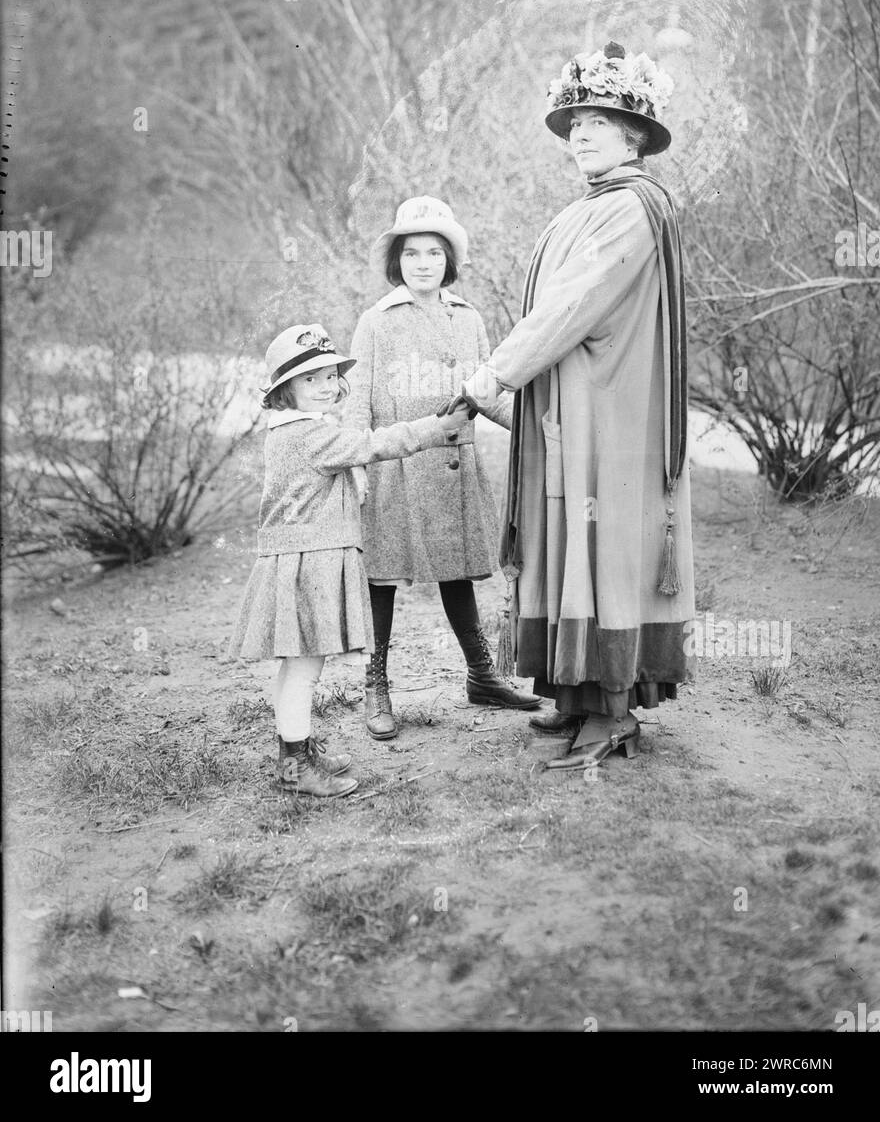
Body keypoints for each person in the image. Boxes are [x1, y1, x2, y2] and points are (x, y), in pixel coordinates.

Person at [448, 42, 695, 770]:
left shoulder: (629, 210)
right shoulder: (583, 210)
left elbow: (571, 307)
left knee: (603, 543)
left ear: (634, 136)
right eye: (574, 121)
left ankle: (612, 711)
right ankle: (575, 696)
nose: (580, 133)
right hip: (570, 406)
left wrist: (493, 374)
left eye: (597, 121)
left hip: (608, 411)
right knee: (569, 539)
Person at [227, 321, 470, 795]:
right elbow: (374, 445)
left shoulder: (302, 429)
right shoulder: (307, 435)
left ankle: (295, 754)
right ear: (283, 392)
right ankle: (295, 769)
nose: (325, 387)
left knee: (300, 667)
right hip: (306, 560)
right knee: (303, 667)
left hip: (302, 557)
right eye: (309, 379)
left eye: (330, 375)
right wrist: (437, 428)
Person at [345, 196, 540, 741]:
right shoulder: (376, 323)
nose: (424, 263)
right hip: (394, 471)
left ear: (450, 261)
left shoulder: (468, 319)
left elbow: (486, 393)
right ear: (397, 262)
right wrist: (357, 463)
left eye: (435, 252)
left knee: (457, 572)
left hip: (454, 467)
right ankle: (376, 685)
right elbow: (356, 401)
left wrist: (537, 429)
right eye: (412, 253)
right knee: (381, 576)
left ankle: (481, 677)